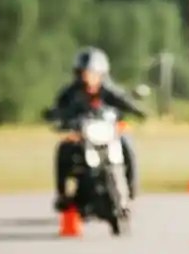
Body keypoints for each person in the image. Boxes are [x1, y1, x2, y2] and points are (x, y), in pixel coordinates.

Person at [45, 47, 146, 210]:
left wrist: (138, 111)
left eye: (92, 73)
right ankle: (62, 194)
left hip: (109, 132)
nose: (88, 78)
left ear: (102, 74)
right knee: (63, 149)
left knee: (127, 142)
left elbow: (125, 101)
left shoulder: (110, 90)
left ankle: (132, 187)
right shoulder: (70, 93)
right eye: (84, 73)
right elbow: (58, 109)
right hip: (82, 135)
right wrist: (56, 117)